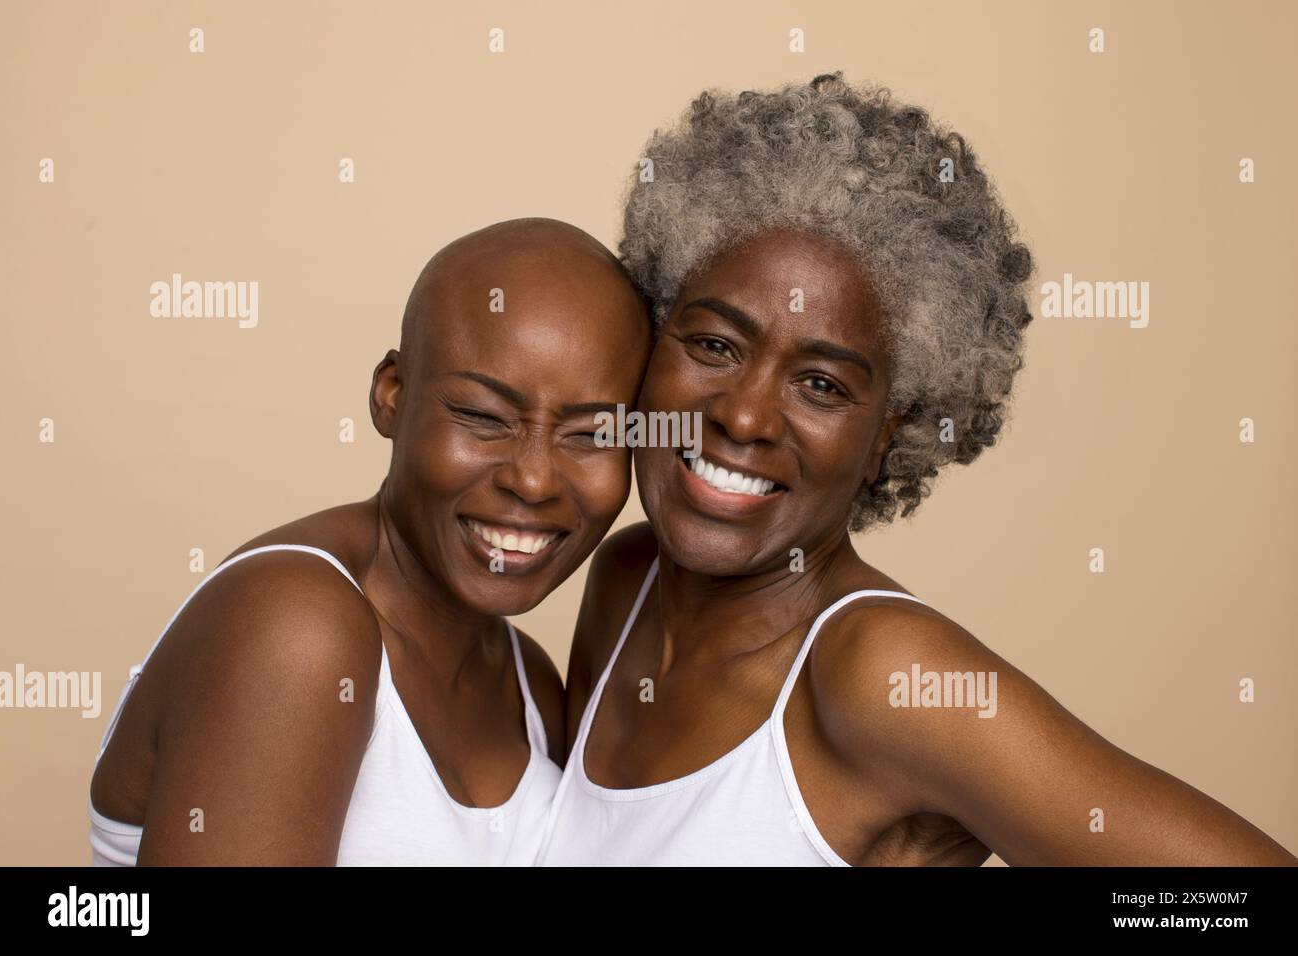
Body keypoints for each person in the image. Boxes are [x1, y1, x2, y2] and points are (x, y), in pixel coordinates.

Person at [537, 75, 1297, 866]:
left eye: (822, 386)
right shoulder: (625, 583)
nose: (746, 416)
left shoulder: (880, 673)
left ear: (883, 439)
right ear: (654, 340)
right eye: (714, 346)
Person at [89, 218, 652, 865]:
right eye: (482, 417)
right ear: (392, 393)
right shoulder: (296, 626)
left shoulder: (529, 682)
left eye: (592, 435)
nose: (532, 479)